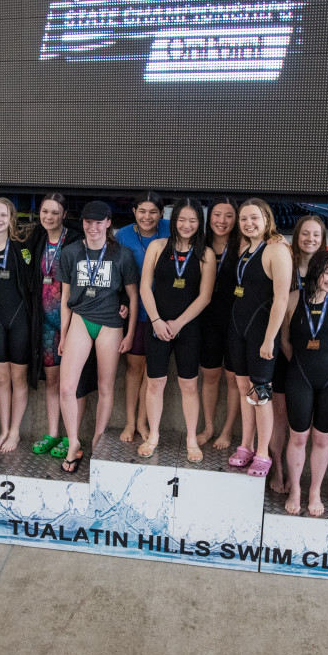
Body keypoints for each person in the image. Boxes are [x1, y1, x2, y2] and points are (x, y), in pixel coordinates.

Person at [56, 201, 141, 473]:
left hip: (110, 324)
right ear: (82, 224)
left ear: (108, 223)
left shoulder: (122, 254)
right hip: (80, 319)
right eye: (87, 222)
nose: (92, 228)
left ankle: (98, 438)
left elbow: (133, 295)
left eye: (98, 222)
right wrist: (63, 333)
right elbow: (65, 296)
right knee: (66, 387)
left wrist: (129, 333)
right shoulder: (70, 252)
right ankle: (72, 442)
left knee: (105, 387)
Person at [139, 197, 216, 462]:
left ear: (200, 223)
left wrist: (178, 323)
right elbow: (144, 288)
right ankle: (154, 435)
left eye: (192, 220)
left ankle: (192, 438)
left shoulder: (206, 254)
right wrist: (158, 321)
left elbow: (205, 297)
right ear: (173, 221)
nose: (186, 225)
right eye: (181, 219)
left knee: (189, 384)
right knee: (155, 382)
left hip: (189, 327)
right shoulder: (157, 247)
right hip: (157, 324)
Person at [279, 250, 328, 516]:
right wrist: (302, 364)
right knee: (299, 436)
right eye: (327, 272)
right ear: (315, 272)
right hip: (299, 374)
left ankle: (315, 492)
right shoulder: (292, 299)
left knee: (323, 439)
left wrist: (324, 364)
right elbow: (285, 341)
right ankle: (297, 489)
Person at [225, 198, 292, 477]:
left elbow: (281, 299)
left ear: (267, 219)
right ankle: (246, 444)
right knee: (243, 389)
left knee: (260, 392)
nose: (249, 223)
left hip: (261, 333)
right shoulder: (245, 247)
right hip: (238, 328)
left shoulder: (276, 249)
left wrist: (269, 339)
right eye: (244, 219)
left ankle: (263, 452)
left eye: (254, 218)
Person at [267, 214, 327, 495]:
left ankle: (299, 479)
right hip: (283, 353)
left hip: (314, 361)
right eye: (305, 234)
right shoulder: (284, 264)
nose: (310, 239)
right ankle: (277, 468)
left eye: (316, 235)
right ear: (296, 236)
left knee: (306, 424)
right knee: (280, 417)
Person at [26, 193, 89, 459]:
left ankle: (70, 436)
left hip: (73, 322)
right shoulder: (35, 238)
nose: (48, 217)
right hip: (46, 323)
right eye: (44, 211)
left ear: (64, 214)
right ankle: (52, 432)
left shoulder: (76, 239)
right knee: (52, 379)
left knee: (73, 383)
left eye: (54, 212)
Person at [0, 197, 36, 454]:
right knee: (1, 379)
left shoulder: (23, 244)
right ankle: (3, 430)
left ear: (11, 217)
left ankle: (15, 432)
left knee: (18, 377)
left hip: (19, 319)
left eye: (3, 215)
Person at [114, 191, 170, 443]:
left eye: (153, 212)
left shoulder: (171, 229)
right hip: (137, 311)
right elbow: (116, 274)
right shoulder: (123, 235)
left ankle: (142, 421)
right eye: (142, 211)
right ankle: (129, 422)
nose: (148, 217)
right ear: (134, 211)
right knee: (134, 368)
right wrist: (120, 303)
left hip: (163, 311)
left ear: (161, 214)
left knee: (152, 370)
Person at [197, 197, 241, 451]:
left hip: (236, 321)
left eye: (228, 216)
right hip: (208, 319)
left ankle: (226, 431)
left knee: (233, 378)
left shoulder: (244, 246)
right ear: (208, 217)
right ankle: (209, 426)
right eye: (217, 215)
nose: (222, 221)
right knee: (210, 375)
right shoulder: (200, 245)